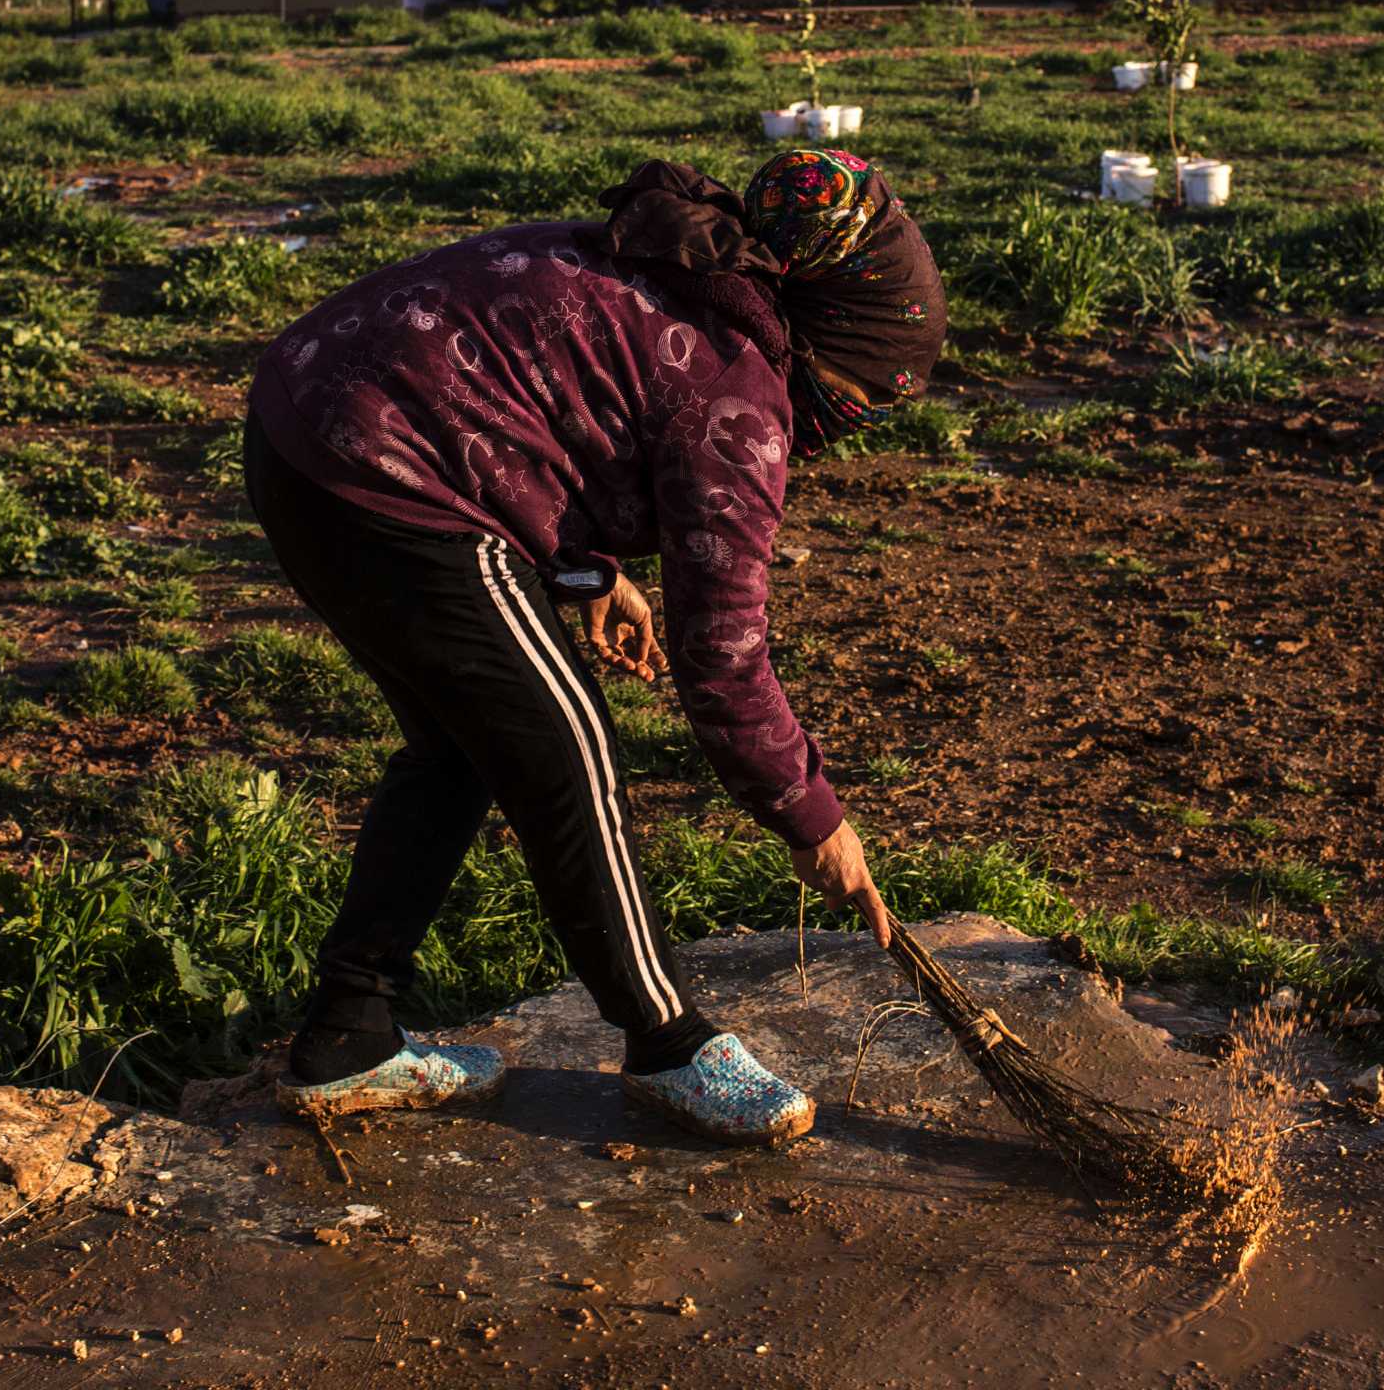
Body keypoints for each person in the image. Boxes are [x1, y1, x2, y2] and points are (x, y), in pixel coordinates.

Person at [240, 149, 947, 1145]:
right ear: (831, 342)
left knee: (462, 746)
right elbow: (724, 658)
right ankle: (667, 1040)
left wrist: (581, 565)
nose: (864, 415)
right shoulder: (740, 397)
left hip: (304, 432)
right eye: (871, 388)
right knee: (568, 744)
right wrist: (814, 817)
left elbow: (551, 390)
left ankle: (347, 1031)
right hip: (387, 471)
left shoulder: (694, 281)